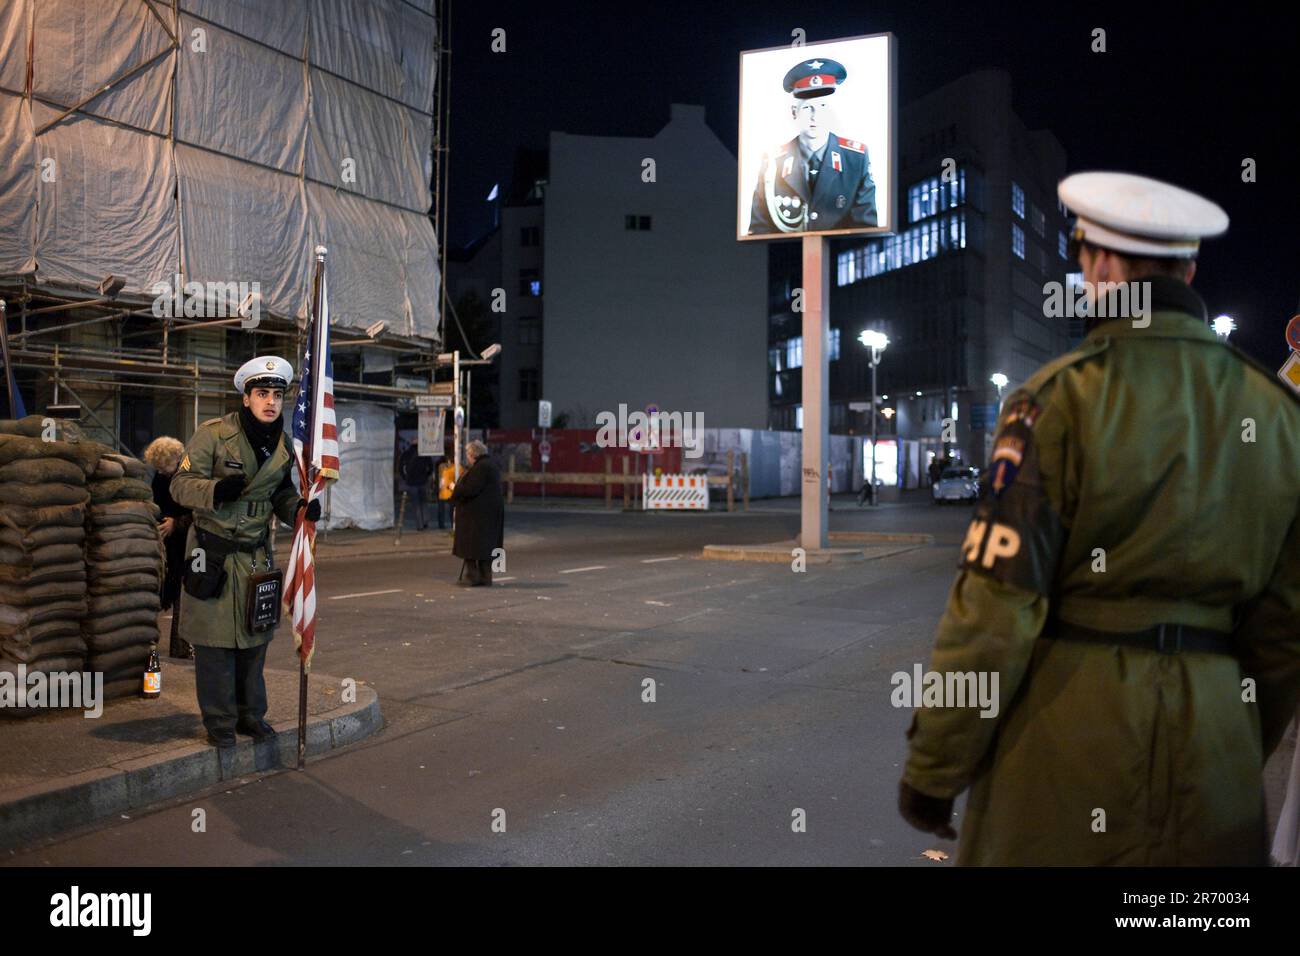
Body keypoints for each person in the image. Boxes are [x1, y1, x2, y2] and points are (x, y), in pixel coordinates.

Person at [898, 171, 1300, 865]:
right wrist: (1226, 733)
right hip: (1217, 767)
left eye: (1083, 261)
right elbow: (1284, 633)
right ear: (1189, 268)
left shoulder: (1057, 401)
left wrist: (935, 768)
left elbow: (995, 612)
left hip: (1065, 749)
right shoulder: (1278, 413)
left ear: (1103, 263)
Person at [170, 356, 319, 749]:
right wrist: (216, 490)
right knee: (215, 645)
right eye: (262, 394)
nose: (270, 401)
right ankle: (219, 722)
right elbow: (180, 485)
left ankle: (251, 716)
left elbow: (280, 493)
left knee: (255, 642)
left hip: (255, 555)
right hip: (212, 552)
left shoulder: (285, 444)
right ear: (247, 397)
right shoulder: (214, 434)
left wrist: (299, 510)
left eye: (276, 395)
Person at [748, 57, 877, 235]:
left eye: (823, 106)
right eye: (808, 108)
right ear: (794, 112)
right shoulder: (772, 162)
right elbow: (759, 229)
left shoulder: (855, 158)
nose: (815, 116)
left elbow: (866, 228)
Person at [143, 436, 193, 659]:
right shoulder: (161, 477)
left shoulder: (190, 477)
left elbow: (201, 513)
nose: (163, 472)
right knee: (159, 592)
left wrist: (177, 523)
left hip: (187, 544)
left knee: (184, 598)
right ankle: (149, 643)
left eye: (166, 468)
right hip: (165, 544)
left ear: (177, 459)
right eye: (159, 469)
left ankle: (182, 648)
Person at [450, 440, 504, 587]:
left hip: (476, 516)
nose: (467, 457)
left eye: (468, 454)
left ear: (473, 454)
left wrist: (456, 490)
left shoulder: (480, 468)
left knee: (472, 546)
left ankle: (472, 576)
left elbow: (470, 489)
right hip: (489, 514)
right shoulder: (490, 465)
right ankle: (485, 577)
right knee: (486, 547)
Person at [399, 440, 434, 529]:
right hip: (423, 481)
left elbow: (400, 467)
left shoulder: (406, 454)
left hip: (411, 482)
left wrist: (405, 477)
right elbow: (431, 467)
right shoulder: (424, 454)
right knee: (424, 502)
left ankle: (420, 525)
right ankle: (425, 521)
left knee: (416, 504)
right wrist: (426, 475)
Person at [436, 453, 456, 531]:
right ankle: (452, 523)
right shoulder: (456, 466)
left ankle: (442, 524)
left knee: (442, 508)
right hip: (450, 489)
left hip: (443, 489)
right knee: (451, 508)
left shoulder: (440, 466)